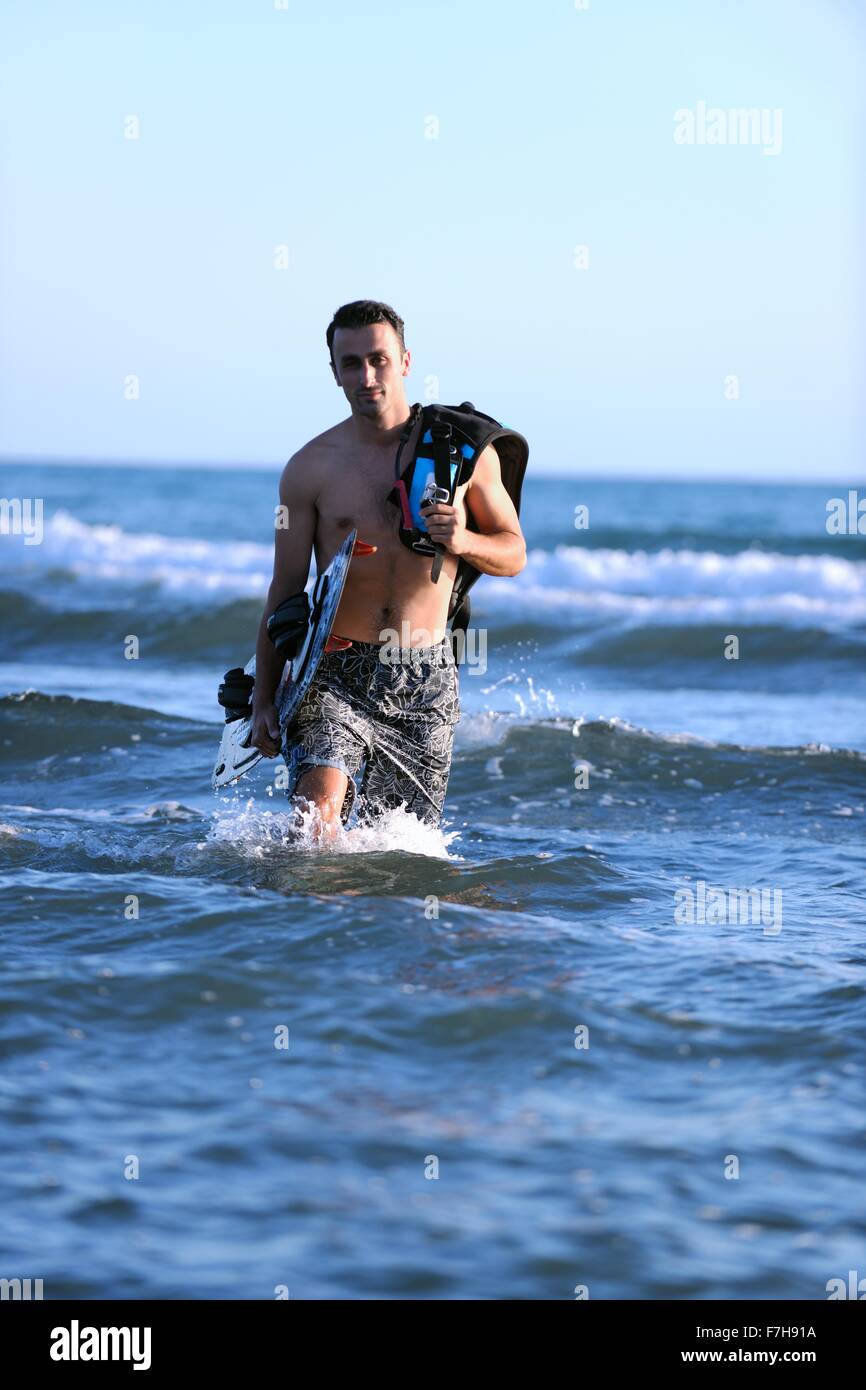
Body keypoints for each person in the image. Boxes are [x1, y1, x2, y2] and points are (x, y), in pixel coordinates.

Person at [250, 299, 527, 842]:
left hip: (424, 676)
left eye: (378, 358)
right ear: (334, 372)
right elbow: (284, 589)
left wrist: (463, 538)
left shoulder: (461, 453)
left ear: (404, 361)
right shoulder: (309, 469)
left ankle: (352, 925)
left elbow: (514, 553)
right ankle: (293, 922)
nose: (366, 375)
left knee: (395, 850)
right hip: (334, 672)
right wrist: (263, 696)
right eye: (350, 363)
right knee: (316, 822)